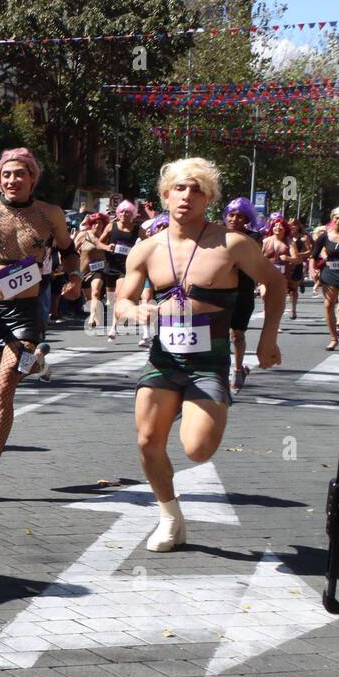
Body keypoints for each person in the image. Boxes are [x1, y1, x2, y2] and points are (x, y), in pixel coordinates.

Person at [114, 158, 284, 551]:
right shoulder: (146, 249)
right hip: (163, 358)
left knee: (197, 449)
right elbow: (122, 298)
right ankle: (170, 517)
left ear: (208, 198)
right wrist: (134, 310)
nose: (186, 195)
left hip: (209, 359)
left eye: (196, 189)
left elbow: (274, 284)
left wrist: (267, 339)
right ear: (164, 195)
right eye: (179, 188)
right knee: (146, 441)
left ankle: (210, 403)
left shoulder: (233, 243)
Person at [0, 148, 81, 500]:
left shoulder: (50, 214)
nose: (12, 180)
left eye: (20, 174)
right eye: (6, 174)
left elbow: (70, 251)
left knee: (4, 388)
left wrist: (75, 276)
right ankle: (35, 359)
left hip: (26, 311)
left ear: (32, 178)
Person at [222, 197, 263, 393]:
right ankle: (219, 370)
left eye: (240, 216)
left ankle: (238, 370)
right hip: (217, 290)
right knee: (218, 333)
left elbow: (252, 261)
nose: (235, 219)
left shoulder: (253, 238)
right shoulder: (216, 234)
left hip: (243, 291)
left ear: (246, 219)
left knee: (237, 333)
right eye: (232, 215)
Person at [104, 200, 143, 342]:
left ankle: (113, 328)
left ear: (132, 214)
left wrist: (137, 250)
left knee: (120, 296)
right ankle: (123, 314)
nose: (124, 214)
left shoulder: (137, 229)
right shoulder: (111, 226)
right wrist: (106, 247)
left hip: (126, 268)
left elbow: (148, 243)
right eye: (122, 212)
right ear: (118, 213)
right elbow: (99, 242)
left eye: (128, 212)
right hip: (110, 266)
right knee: (113, 299)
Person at [313, 207, 339, 351]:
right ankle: (333, 338)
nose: (338, 221)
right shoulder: (325, 236)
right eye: (336, 218)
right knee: (328, 304)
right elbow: (314, 254)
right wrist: (313, 271)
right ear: (332, 219)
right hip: (330, 272)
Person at [262, 217, 297, 321]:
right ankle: (268, 316)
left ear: (285, 229)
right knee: (265, 295)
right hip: (267, 274)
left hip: (283, 276)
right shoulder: (266, 241)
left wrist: (288, 258)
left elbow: (297, 259)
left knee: (278, 301)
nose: (278, 228)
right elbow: (259, 256)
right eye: (275, 226)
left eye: (280, 226)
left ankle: (275, 322)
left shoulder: (290, 242)